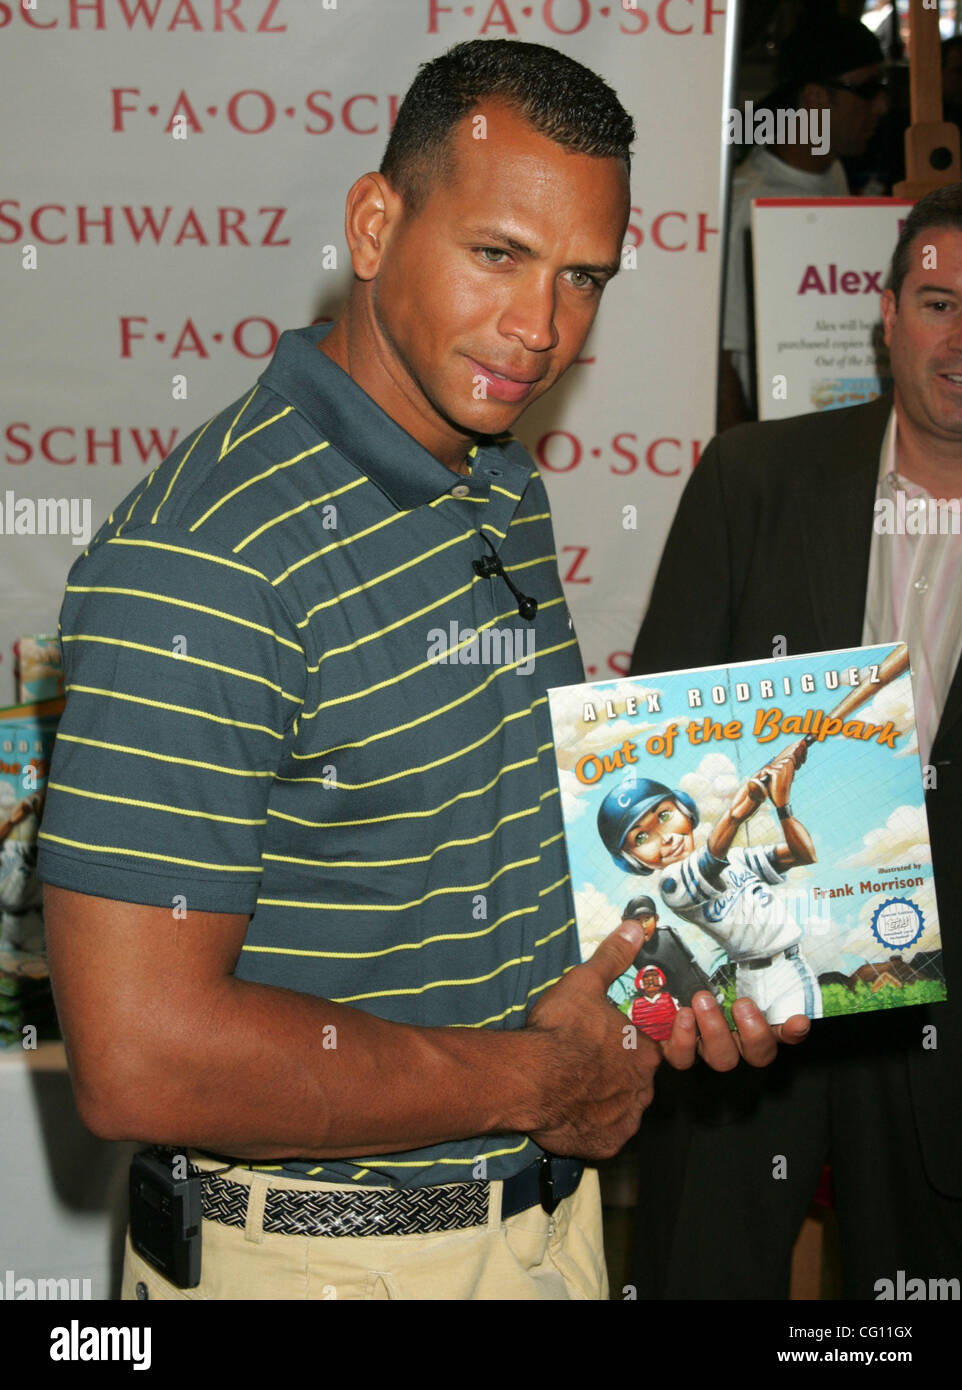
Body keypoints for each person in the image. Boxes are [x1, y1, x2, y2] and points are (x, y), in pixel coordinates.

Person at [36, 39, 800, 1304]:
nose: (539, 328)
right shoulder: (205, 558)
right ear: (377, 222)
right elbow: (139, 1060)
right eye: (497, 255)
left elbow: (478, 873)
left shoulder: (494, 478)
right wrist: (541, 1078)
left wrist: (675, 974)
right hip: (316, 1261)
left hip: (543, 1229)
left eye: (581, 279)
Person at [629, 182, 962, 1300]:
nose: (958, 339)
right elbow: (661, 731)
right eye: (934, 301)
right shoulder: (750, 480)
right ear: (883, 313)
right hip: (738, 1022)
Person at [719, 15, 887, 431]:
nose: (882, 106)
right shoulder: (749, 205)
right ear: (814, 97)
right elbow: (720, 361)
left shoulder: (831, 172)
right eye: (867, 90)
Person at [599, 754, 820, 1025]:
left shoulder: (737, 858)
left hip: (787, 969)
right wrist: (745, 803)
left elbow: (802, 853)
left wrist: (782, 804)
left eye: (664, 815)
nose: (666, 838)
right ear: (632, 859)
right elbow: (712, 857)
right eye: (641, 837)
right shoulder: (672, 885)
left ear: (684, 809)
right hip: (747, 978)